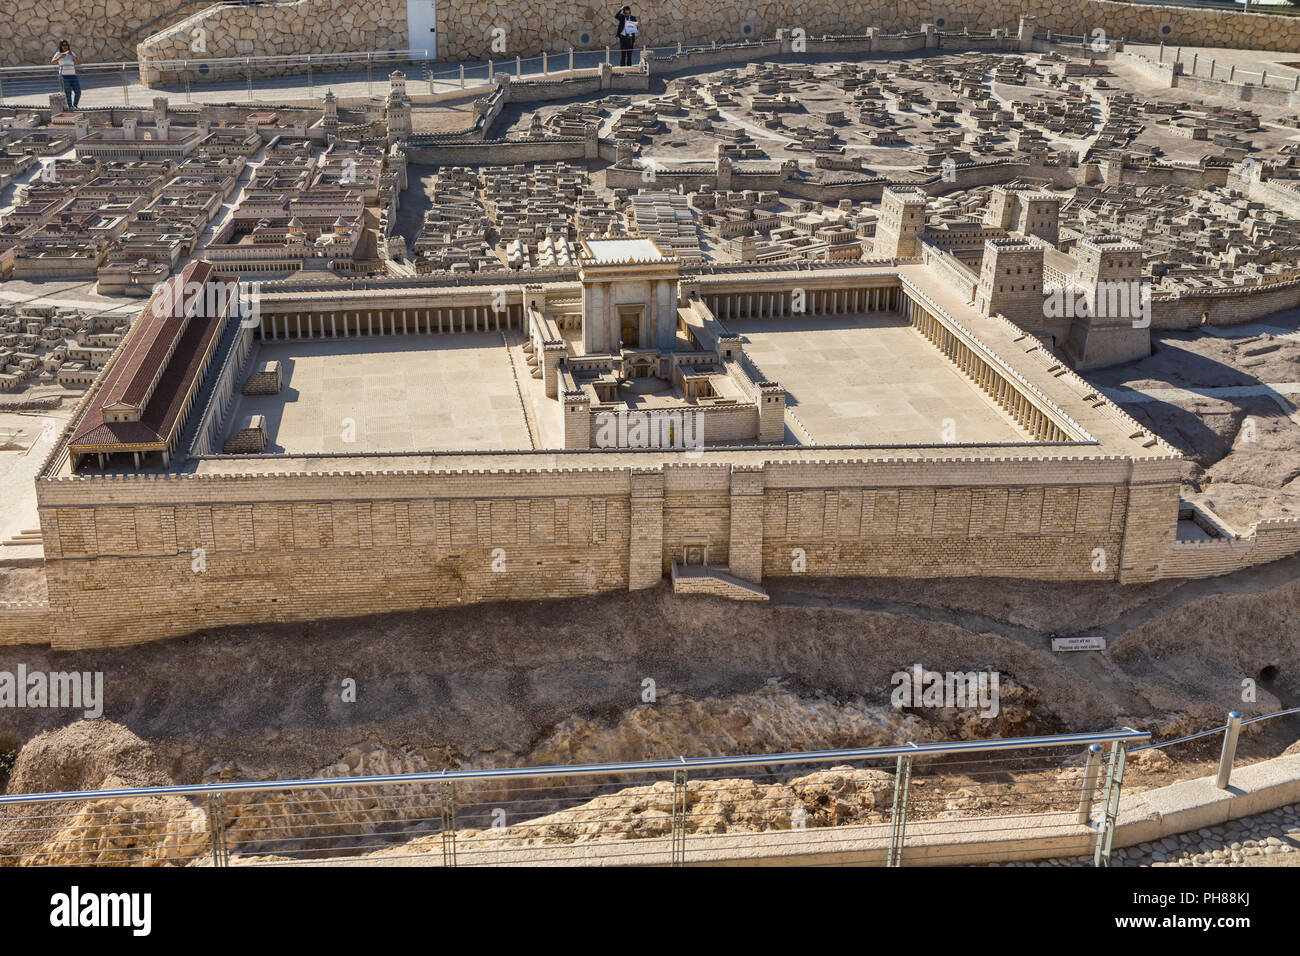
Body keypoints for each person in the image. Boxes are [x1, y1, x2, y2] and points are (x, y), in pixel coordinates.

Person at [51, 39, 81, 110]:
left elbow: (78, 63)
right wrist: (60, 57)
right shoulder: (58, 53)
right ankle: (70, 107)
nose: (65, 47)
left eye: (66, 45)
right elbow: (52, 62)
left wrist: (72, 56)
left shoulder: (72, 53)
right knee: (68, 93)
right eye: (63, 45)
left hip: (73, 75)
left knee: (78, 91)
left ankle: (75, 105)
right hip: (63, 76)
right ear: (60, 46)